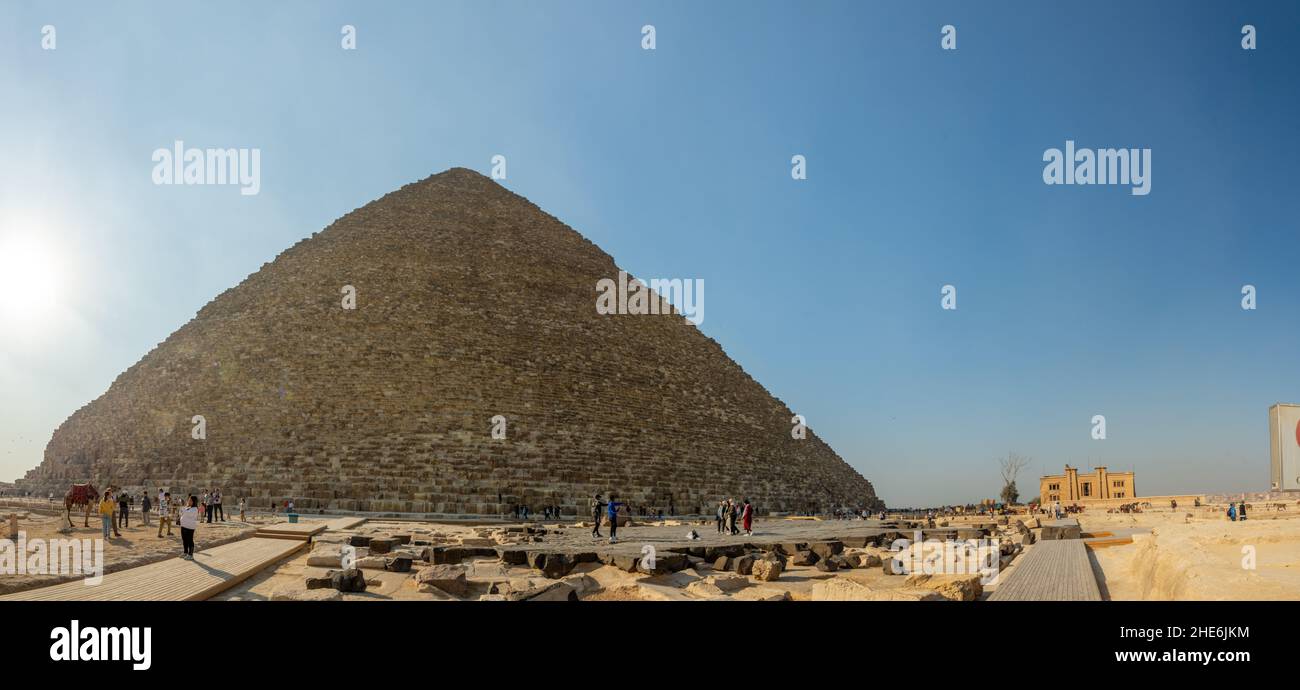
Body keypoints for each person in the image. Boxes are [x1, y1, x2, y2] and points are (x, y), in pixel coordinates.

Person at [178, 495, 200, 559]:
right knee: (184, 540)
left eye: (190, 500)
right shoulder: (188, 507)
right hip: (183, 526)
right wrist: (183, 508)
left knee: (190, 540)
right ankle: (185, 552)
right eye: (188, 500)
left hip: (190, 527)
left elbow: (186, 513)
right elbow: (180, 512)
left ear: (194, 501)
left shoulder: (195, 509)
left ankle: (191, 554)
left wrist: (182, 506)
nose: (189, 501)